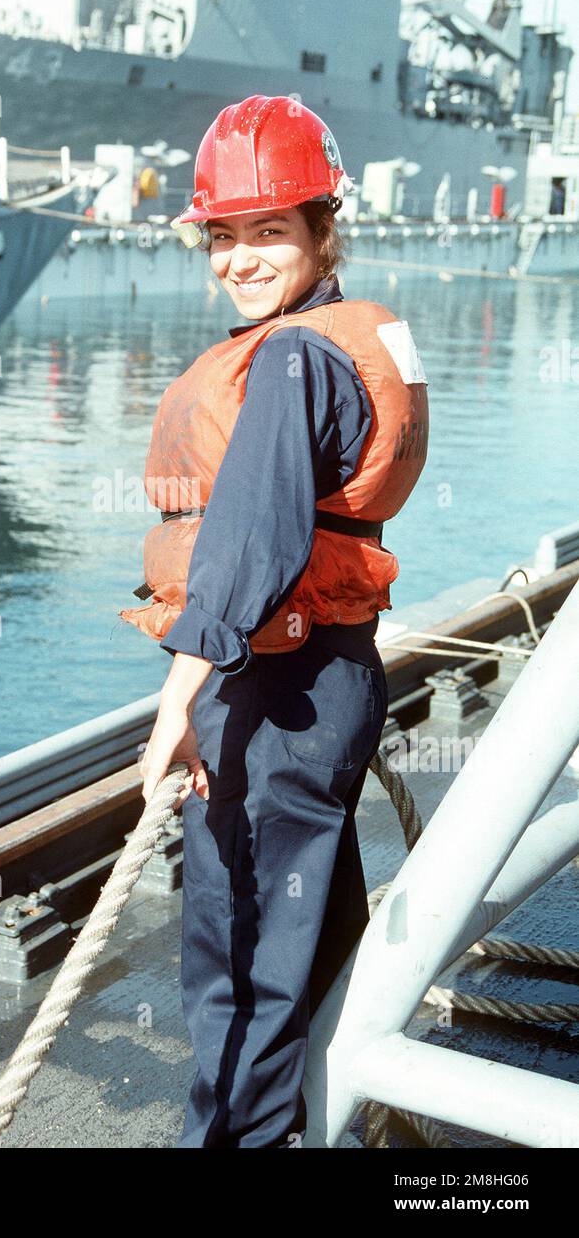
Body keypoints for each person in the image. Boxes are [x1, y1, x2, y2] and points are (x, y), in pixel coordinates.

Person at [117, 95, 429, 1148]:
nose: (239, 258)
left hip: (270, 686)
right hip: (321, 675)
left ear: (320, 231)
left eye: (268, 231)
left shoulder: (293, 359)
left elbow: (247, 544)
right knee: (312, 934)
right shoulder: (327, 341)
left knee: (241, 962)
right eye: (223, 235)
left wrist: (178, 698)